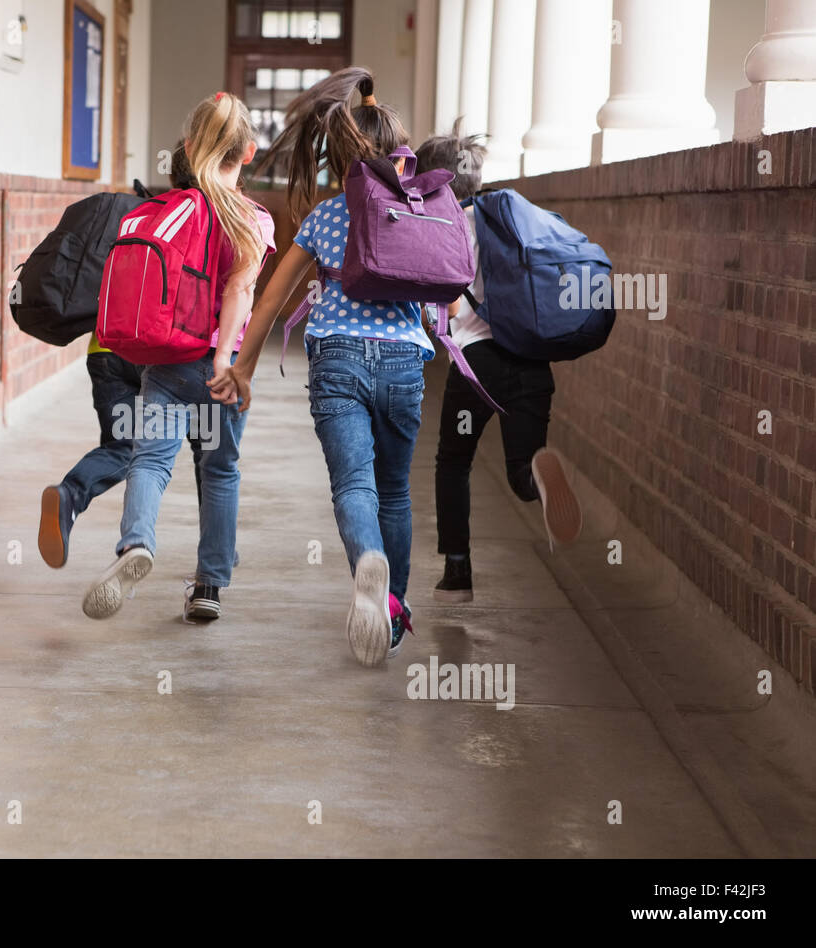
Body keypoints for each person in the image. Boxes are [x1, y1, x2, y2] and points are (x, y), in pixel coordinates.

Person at [209, 67, 428, 667]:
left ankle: (366, 562)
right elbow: (449, 294)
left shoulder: (326, 218)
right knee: (395, 491)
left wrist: (242, 367)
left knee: (353, 485)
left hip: (336, 359)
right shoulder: (419, 211)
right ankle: (393, 608)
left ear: (337, 159)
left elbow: (272, 297)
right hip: (406, 361)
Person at [82, 93, 275, 623]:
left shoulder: (172, 210)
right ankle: (209, 585)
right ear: (251, 152)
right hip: (220, 369)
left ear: (188, 149)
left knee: (150, 460)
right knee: (219, 471)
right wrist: (223, 362)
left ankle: (136, 543)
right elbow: (239, 293)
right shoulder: (252, 220)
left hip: (167, 360)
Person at [414, 125, 582, 603]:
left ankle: (458, 570)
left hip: (477, 366)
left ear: (432, 185)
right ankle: (538, 483)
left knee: (453, 461)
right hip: (531, 361)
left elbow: (440, 312)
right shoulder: (508, 222)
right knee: (519, 469)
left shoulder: (440, 233)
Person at [38, 145, 214, 570]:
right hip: (165, 355)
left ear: (170, 177)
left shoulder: (132, 213)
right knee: (208, 452)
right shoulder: (202, 218)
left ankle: (70, 494)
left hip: (107, 349)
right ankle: (211, 566)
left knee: (124, 445)